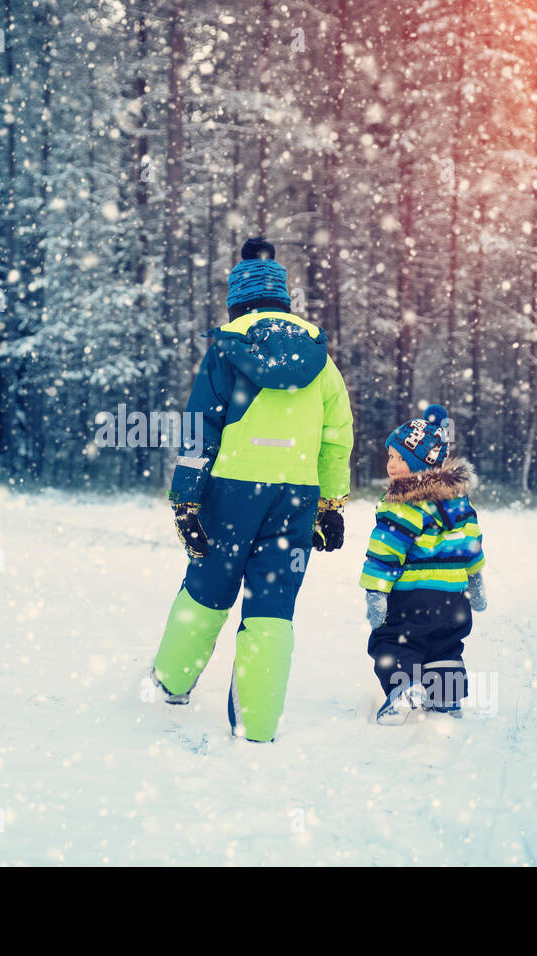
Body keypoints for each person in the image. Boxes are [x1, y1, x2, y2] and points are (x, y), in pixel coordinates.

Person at [148, 236, 354, 742]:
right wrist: (330, 503)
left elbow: (201, 427)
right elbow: (336, 434)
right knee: (272, 606)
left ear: (237, 300)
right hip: (296, 496)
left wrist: (186, 499)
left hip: (230, 493)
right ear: (284, 301)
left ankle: (172, 682)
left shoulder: (227, 349)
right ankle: (258, 724)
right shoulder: (320, 358)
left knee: (208, 589)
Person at [360, 404, 487, 724]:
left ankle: (403, 690)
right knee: (445, 644)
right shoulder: (459, 502)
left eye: (401, 458)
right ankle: (447, 697)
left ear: (421, 464)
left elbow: (385, 550)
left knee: (394, 640)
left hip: (412, 595)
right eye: (390, 456)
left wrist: (376, 591)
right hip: (453, 598)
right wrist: (475, 579)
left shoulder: (402, 503)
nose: (392, 464)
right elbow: (471, 541)